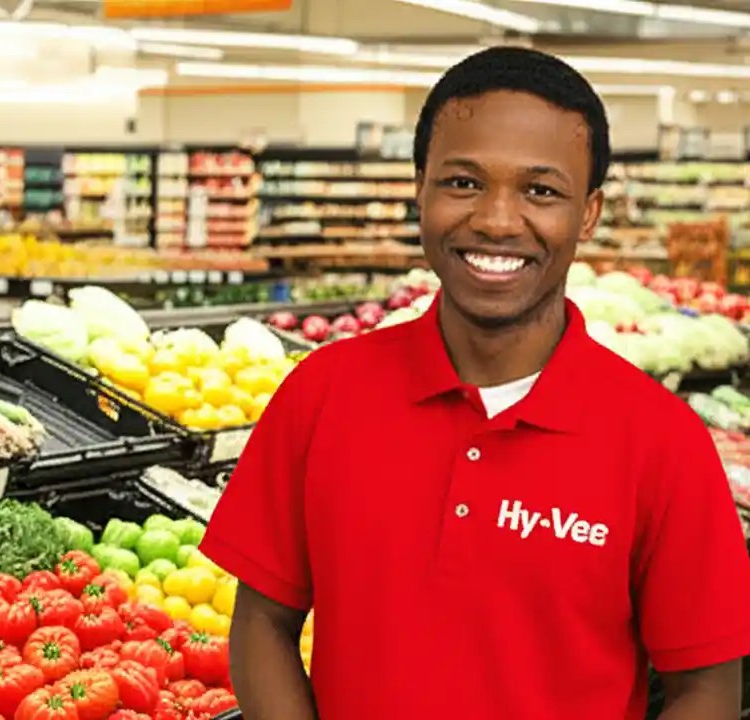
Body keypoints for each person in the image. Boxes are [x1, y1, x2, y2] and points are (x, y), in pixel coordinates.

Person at [199, 46, 750, 720]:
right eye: (462, 182)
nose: (495, 220)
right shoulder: (320, 394)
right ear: (419, 188)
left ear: (589, 213)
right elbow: (262, 624)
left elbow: (707, 688)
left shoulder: (662, 443)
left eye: (540, 191)